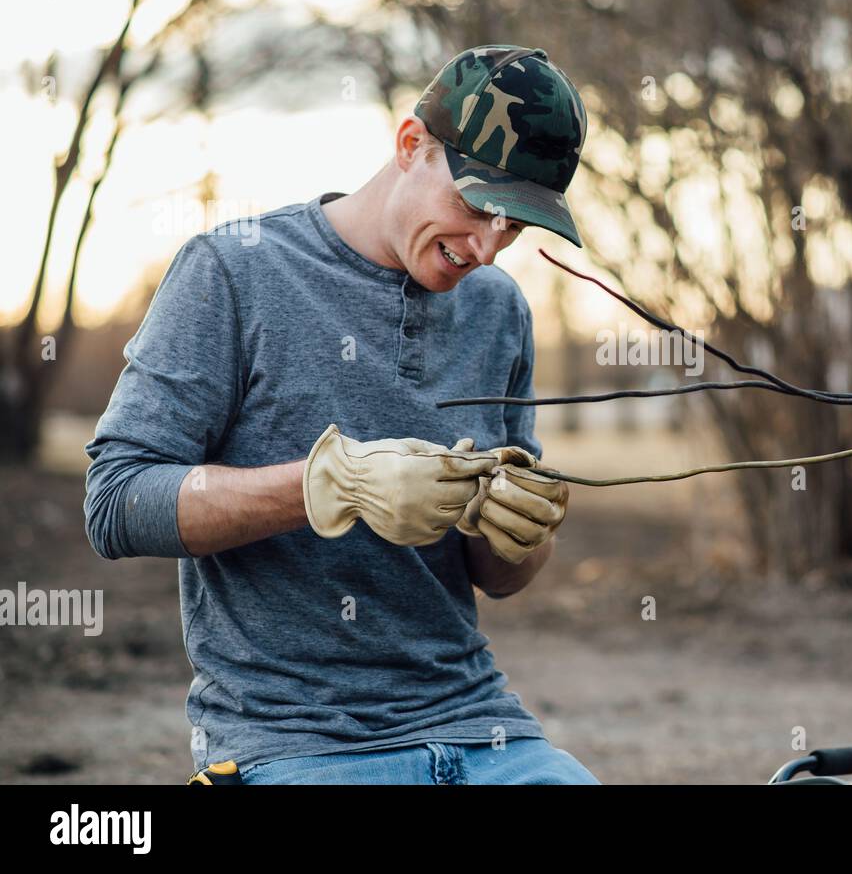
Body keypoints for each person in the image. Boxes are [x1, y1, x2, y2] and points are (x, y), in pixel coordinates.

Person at [84, 44, 599, 785]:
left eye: (515, 225)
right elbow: (116, 502)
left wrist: (520, 532)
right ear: (410, 144)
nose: (487, 247)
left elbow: (502, 579)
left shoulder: (499, 311)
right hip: (294, 741)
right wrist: (333, 482)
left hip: (483, 728)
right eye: (479, 205)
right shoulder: (234, 273)